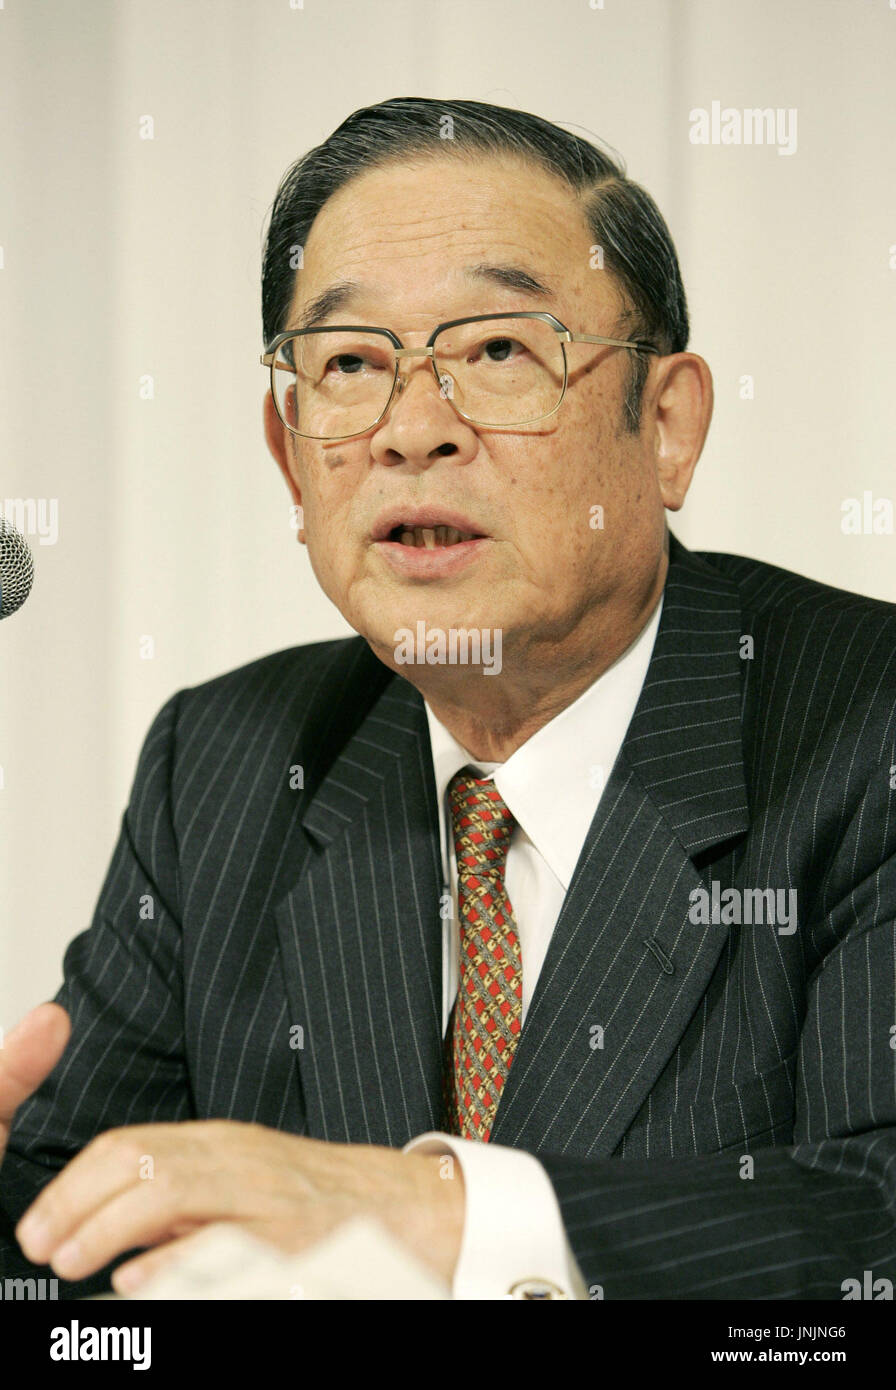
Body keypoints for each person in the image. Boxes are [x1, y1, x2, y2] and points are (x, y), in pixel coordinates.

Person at [2, 97, 894, 1302]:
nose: (410, 432)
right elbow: (79, 1251)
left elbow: (871, 1219)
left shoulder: (864, 723)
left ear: (667, 425)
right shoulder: (224, 764)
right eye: (352, 366)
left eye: (496, 352)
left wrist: (436, 1215)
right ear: (288, 454)